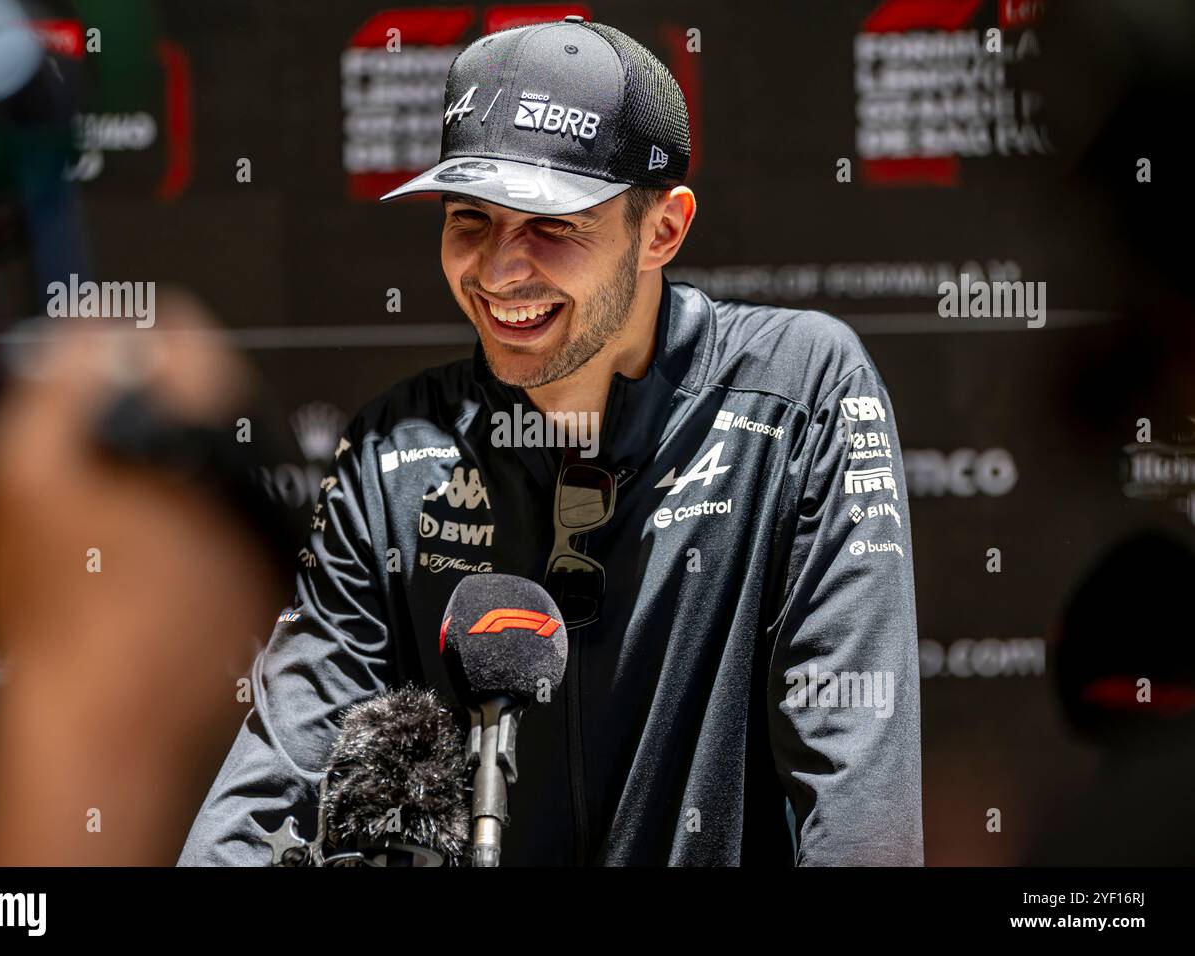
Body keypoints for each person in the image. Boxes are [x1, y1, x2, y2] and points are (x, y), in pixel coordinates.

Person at [180, 16, 922, 866]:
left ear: (662, 229)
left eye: (552, 222)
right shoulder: (393, 450)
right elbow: (275, 782)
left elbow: (861, 808)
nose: (501, 270)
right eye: (470, 218)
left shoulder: (800, 393)